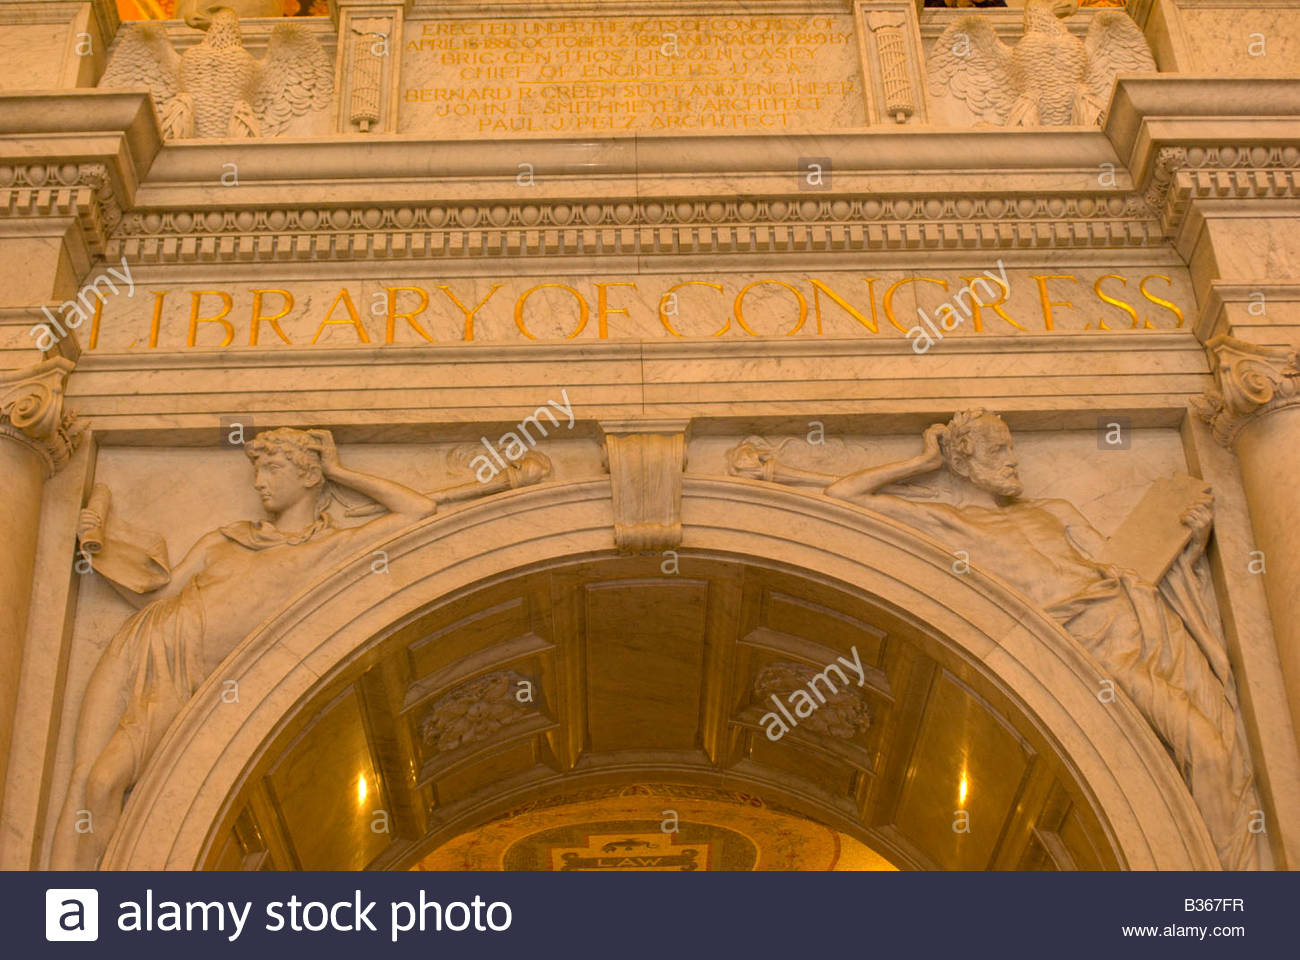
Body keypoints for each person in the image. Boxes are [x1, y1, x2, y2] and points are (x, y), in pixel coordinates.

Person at [730, 410, 1264, 868]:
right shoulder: (951, 524)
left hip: (1145, 625)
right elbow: (842, 494)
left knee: (1221, 742)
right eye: (998, 449)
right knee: (1210, 751)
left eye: (1011, 447)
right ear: (961, 461)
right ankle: (1227, 899)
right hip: (1096, 651)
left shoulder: (1055, 511)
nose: (1012, 460)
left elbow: (1131, 568)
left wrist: (1190, 549)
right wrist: (921, 463)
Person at [53, 428, 543, 867]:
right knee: (78, 779)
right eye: (257, 470)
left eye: (272, 468)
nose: (259, 482)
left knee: (103, 782)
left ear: (309, 476)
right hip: (143, 644)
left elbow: (418, 511)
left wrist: (341, 471)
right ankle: (59, 919)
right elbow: (156, 593)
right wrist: (97, 546)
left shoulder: (329, 551)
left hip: (187, 682)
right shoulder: (225, 538)